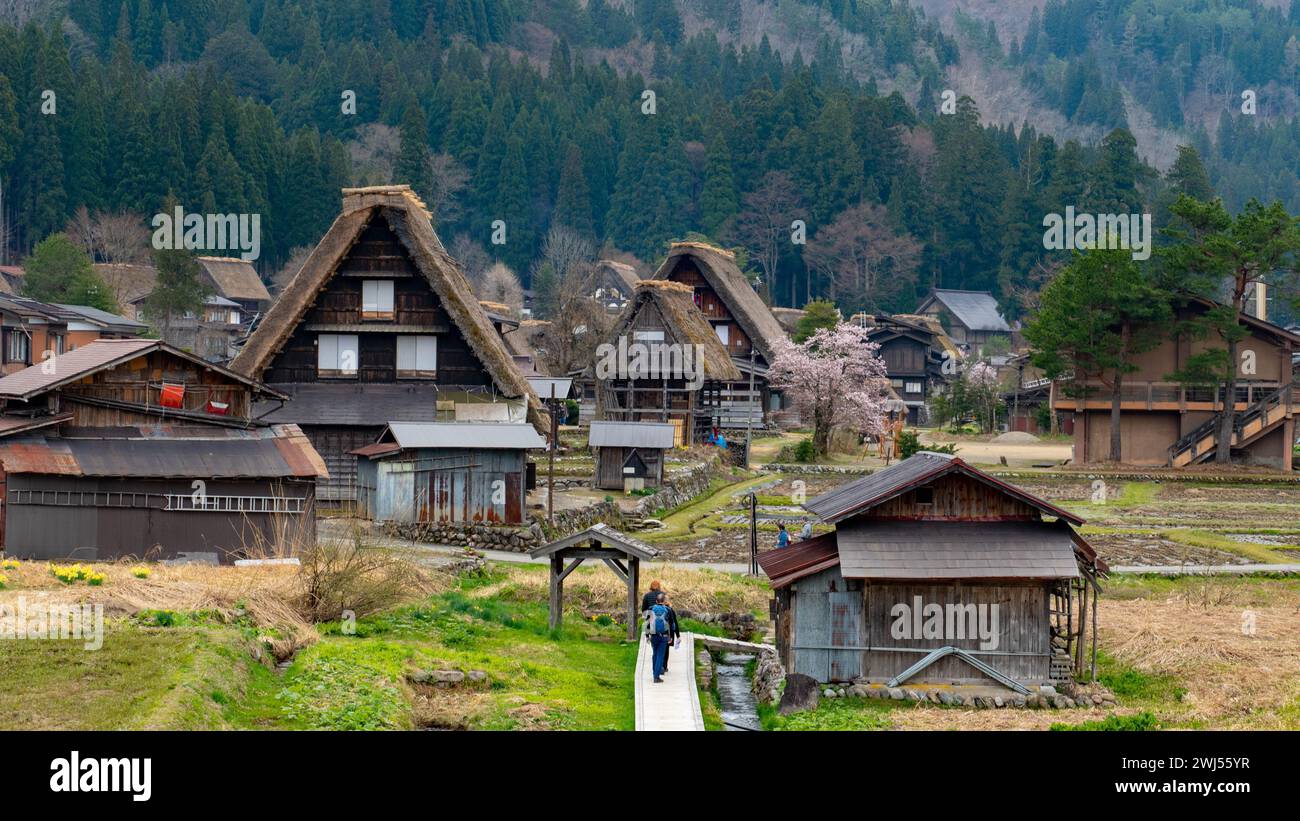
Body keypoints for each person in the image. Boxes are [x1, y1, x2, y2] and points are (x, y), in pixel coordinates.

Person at [644, 594, 673, 683]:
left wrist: (647, 635)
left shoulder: (651, 609)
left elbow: (647, 622)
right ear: (664, 601)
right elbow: (671, 625)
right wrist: (670, 637)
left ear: (656, 601)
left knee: (655, 654)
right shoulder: (668, 610)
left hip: (653, 635)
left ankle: (654, 673)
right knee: (660, 656)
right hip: (663, 636)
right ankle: (656, 677)